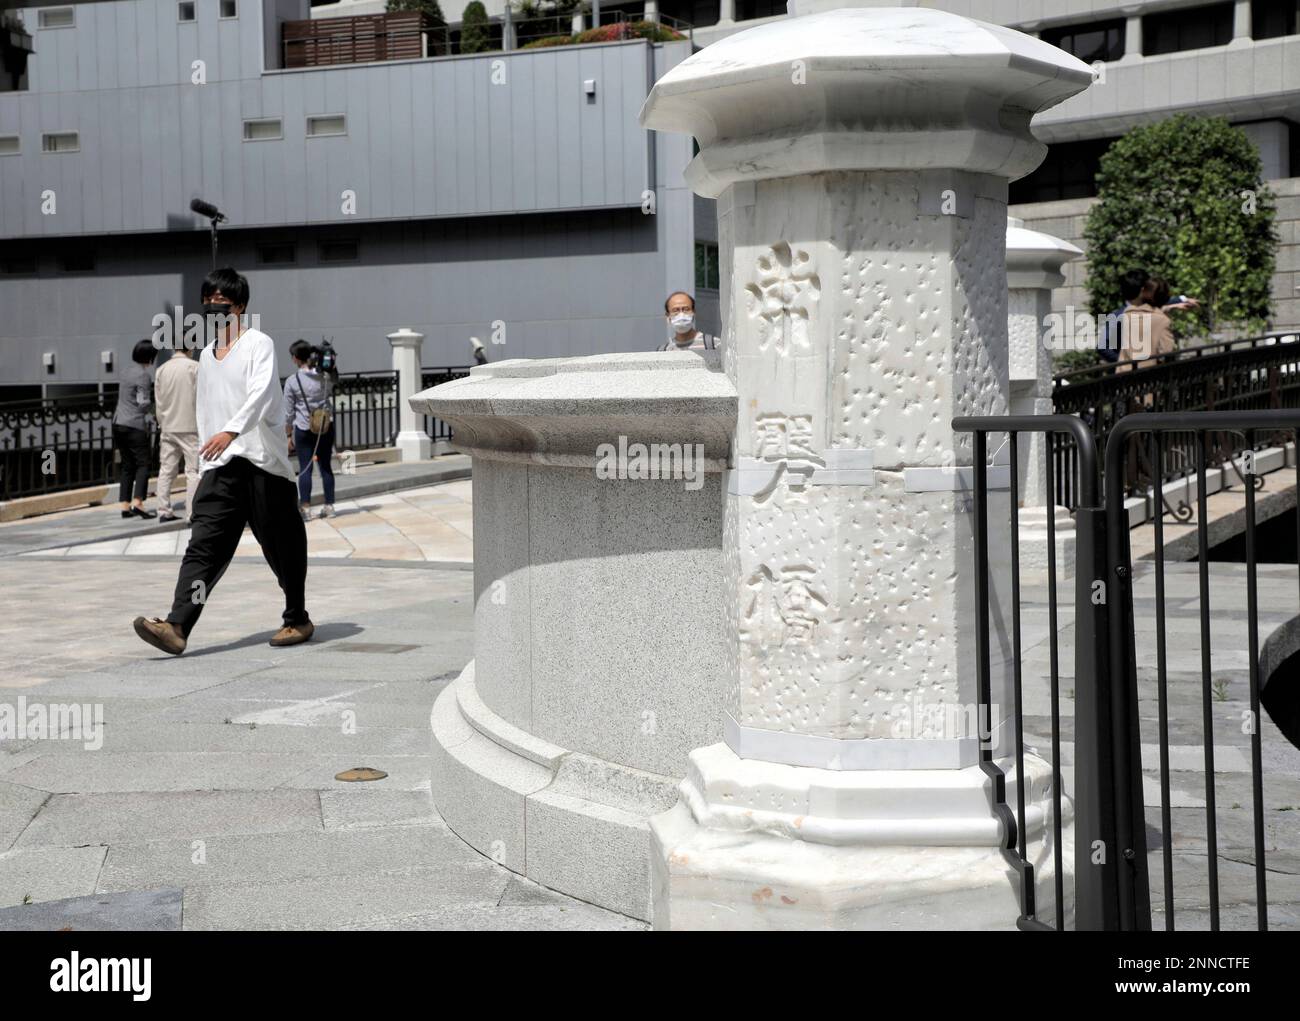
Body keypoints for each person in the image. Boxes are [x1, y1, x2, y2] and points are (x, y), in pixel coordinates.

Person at [132, 267, 313, 656]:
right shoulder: (205, 356)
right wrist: (209, 448)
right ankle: (177, 626)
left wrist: (230, 431)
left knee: (282, 546)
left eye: (223, 305)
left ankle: (297, 618)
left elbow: (262, 395)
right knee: (204, 544)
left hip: (263, 464)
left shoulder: (258, 343)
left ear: (241, 307)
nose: (215, 311)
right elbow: (205, 409)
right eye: (209, 304)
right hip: (221, 466)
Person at [284, 339, 336, 520]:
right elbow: (331, 388)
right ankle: (329, 506)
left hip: (304, 427)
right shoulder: (325, 376)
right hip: (325, 426)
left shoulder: (293, 380)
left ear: (296, 359)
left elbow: (288, 412)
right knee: (326, 467)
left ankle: (306, 508)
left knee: (305, 468)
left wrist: (288, 434)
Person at [153, 346, 201, 522]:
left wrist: (161, 423)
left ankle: (163, 510)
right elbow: (201, 397)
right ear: (191, 347)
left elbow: (158, 402)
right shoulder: (194, 367)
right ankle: (192, 514)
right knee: (193, 471)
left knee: (166, 469)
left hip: (168, 425)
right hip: (190, 426)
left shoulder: (162, 369)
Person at [112, 339, 158, 520]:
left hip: (118, 422)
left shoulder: (125, 372)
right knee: (143, 464)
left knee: (127, 464)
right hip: (134, 425)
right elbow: (143, 402)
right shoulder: (143, 376)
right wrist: (154, 410)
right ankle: (138, 502)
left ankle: (124, 505)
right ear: (149, 357)